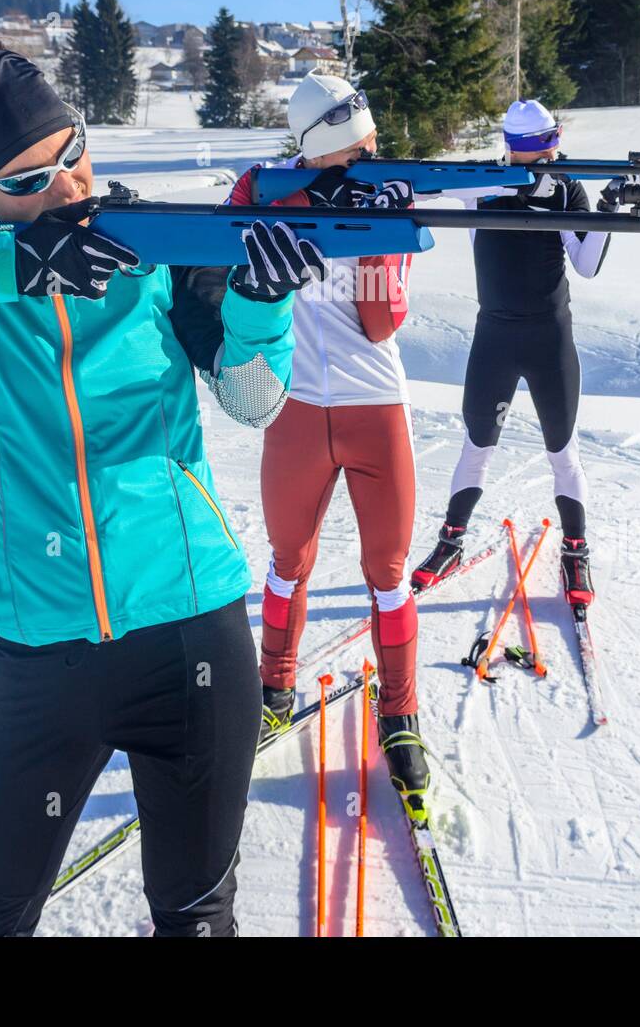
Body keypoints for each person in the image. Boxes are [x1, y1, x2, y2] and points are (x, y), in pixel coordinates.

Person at [0, 37, 323, 938]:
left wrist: (262, 306)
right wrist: (9, 266)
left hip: (193, 642)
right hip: (43, 658)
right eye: (27, 182)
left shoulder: (162, 255)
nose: (68, 190)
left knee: (196, 915)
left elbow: (253, 404)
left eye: (73, 154)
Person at [228, 71, 430, 807]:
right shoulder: (266, 191)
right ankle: (273, 692)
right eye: (357, 146)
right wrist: (316, 200)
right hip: (294, 408)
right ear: (320, 150)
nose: (372, 152)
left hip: (374, 403)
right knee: (288, 561)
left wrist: (373, 235)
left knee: (389, 570)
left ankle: (400, 715)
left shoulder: (391, 198)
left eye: (371, 141)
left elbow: (382, 323)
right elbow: (237, 219)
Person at [414, 98, 633, 607]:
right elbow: (429, 184)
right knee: (477, 445)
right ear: (516, 149)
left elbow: (587, 264)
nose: (553, 155)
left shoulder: (566, 187)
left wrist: (604, 209)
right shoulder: (483, 185)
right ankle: (450, 542)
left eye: (553, 145)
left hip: (549, 339)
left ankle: (576, 552)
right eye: (544, 148)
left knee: (563, 450)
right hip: (494, 338)